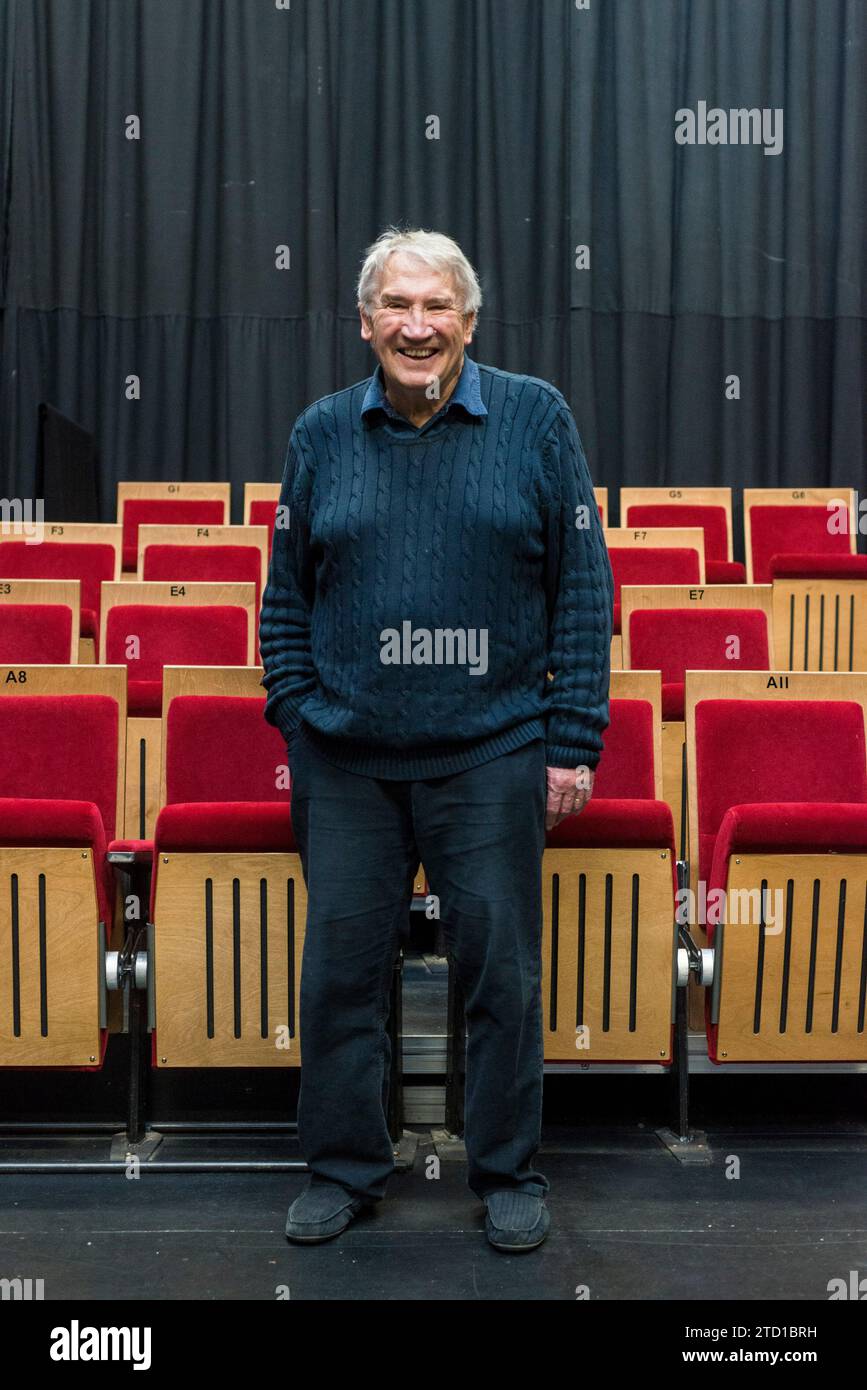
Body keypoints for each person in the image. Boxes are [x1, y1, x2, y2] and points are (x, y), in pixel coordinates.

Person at [259, 226, 613, 1251]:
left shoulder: (537, 419)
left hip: (493, 752)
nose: (418, 326)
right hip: (348, 760)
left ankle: (505, 1171)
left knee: (500, 976)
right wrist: (298, 709)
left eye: (438, 306)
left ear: (469, 319)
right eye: (398, 307)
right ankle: (343, 1167)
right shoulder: (320, 433)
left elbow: (582, 596)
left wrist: (570, 741)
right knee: (338, 977)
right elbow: (286, 601)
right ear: (366, 322)